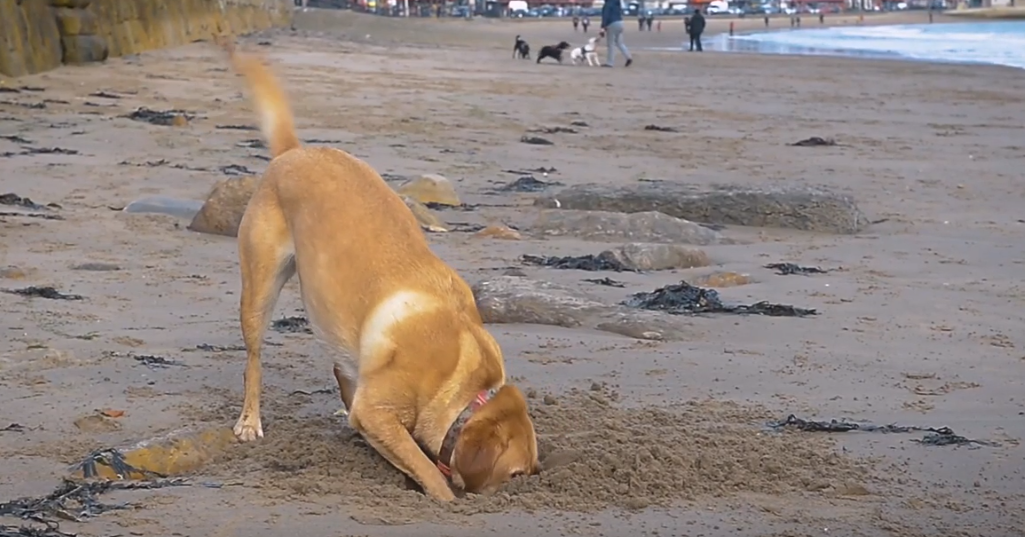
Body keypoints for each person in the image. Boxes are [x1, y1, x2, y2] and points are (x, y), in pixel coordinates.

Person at [601, 0, 633, 67]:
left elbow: (606, 16)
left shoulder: (608, 4)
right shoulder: (617, 3)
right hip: (620, 22)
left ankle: (610, 63)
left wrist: (603, 27)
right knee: (620, 43)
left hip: (612, 23)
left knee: (611, 44)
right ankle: (628, 57)